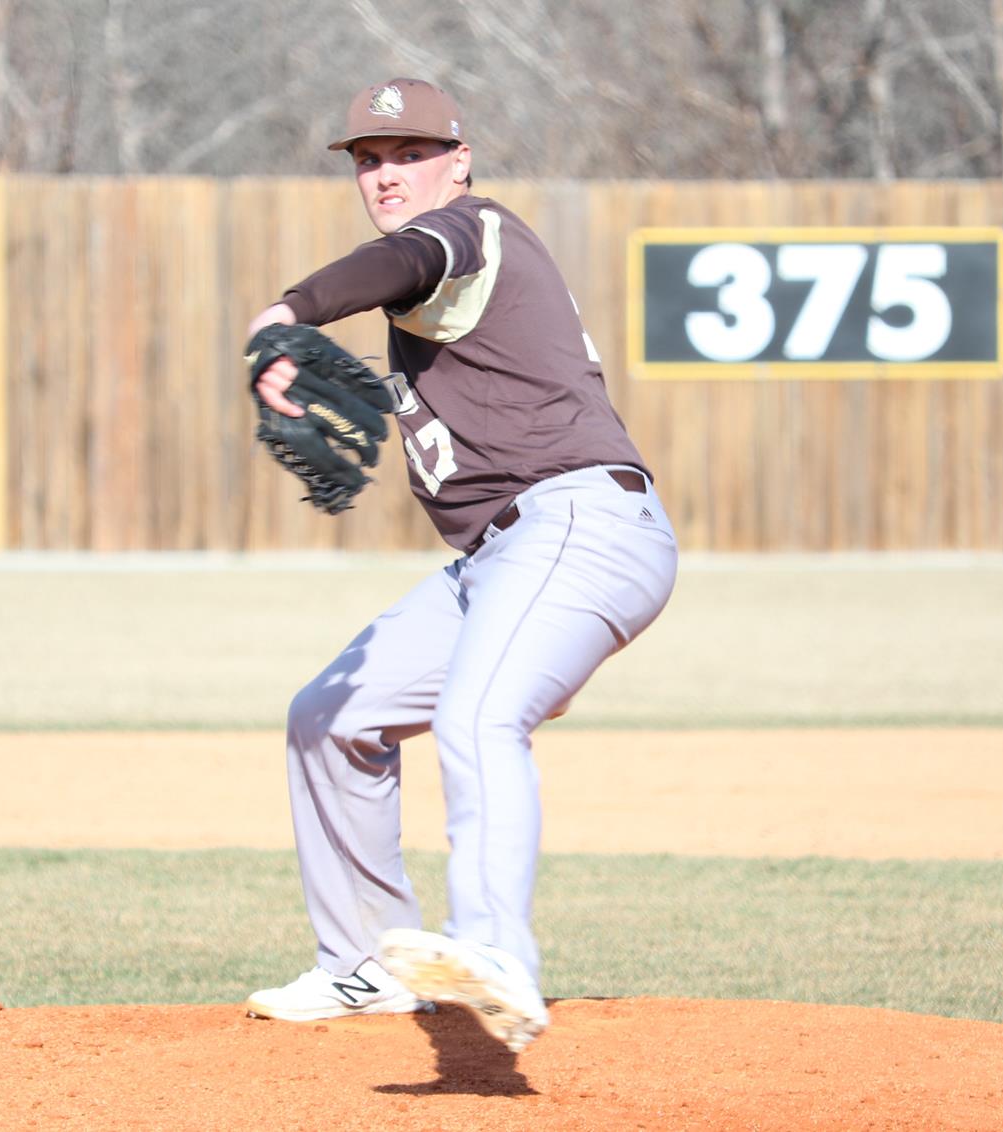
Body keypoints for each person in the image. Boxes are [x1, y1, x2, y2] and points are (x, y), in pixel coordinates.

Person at [237, 77, 678, 1052]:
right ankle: (364, 967)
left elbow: (410, 255)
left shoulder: (470, 232)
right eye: (368, 160)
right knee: (329, 716)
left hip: (581, 522)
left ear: (459, 161)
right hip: (500, 556)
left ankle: (496, 950)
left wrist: (288, 312)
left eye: (409, 154)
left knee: (476, 715)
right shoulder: (431, 285)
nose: (385, 175)